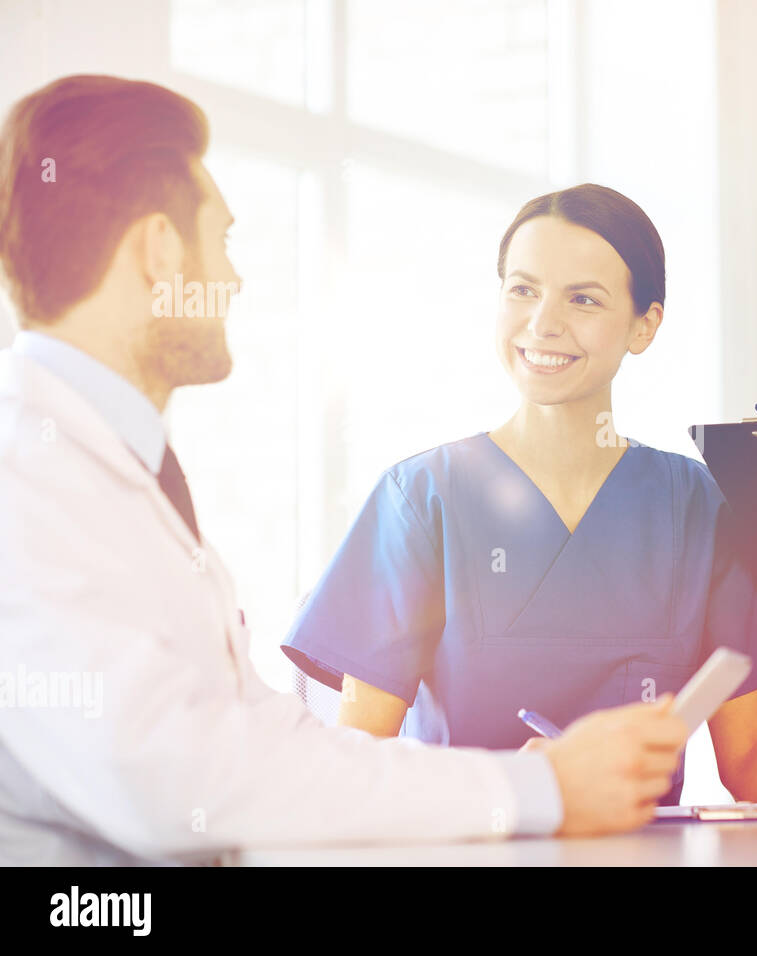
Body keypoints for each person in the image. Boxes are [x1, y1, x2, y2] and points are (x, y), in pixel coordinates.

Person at [0, 74, 689, 866]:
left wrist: (516, 784)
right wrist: (537, 793)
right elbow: (170, 779)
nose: (233, 280)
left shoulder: (113, 468)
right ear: (161, 251)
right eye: (221, 240)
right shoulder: (25, 475)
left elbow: (269, 739)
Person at [282, 184, 757, 814]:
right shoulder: (421, 499)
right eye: (523, 289)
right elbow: (359, 759)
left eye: (583, 299)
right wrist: (514, 791)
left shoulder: (703, 508)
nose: (543, 323)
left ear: (644, 324)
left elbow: (752, 761)